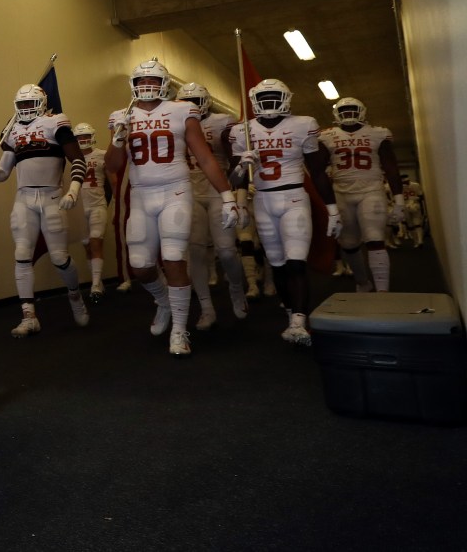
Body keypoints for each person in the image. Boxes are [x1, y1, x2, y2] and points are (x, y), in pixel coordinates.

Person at [104, 60, 241, 357]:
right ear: (133, 85)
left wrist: (227, 195)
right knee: (140, 266)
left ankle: (180, 329)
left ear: (165, 83)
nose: (146, 85)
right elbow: (112, 167)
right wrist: (117, 140)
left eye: (152, 79)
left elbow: (204, 158)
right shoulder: (121, 115)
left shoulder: (181, 110)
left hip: (175, 190)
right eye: (141, 81)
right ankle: (164, 301)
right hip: (141, 194)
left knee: (174, 257)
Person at [227, 79, 340, 346]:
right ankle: (292, 314)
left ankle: (299, 321)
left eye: (274, 97)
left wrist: (332, 209)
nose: (269, 103)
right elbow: (234, 179)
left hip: (293, 197)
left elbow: (317, 171)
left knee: (296, 261)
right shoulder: (242, 130)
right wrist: (242, 168)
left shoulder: (303, 124)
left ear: (286, 98)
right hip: (263, 201)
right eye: (264, 97)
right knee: (276, 263)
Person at [0, 86, 88, 337]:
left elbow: (78, 158)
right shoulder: (13, 129)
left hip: (52, 196)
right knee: (21, 253)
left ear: (41, 103)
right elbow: (3, 173)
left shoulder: (55, 122)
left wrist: (72, 190)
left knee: (59, 258)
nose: (26, 109)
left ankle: (74, 295)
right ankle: (29, 315)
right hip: (24, 197)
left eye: (31, 104)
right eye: (22, 104)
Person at [177, 83, 250, 328]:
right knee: (196, 251)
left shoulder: (222, 122)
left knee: (227, 250)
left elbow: (233, 159)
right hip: (189, 191)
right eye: (188, 101)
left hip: (218, 190)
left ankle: (237, 288)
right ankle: (207, 308)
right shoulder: (175, 120)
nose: (193, 106)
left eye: (198, 100)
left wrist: (240, 198)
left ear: (207, 101)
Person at [318, 97, 404, 291]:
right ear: (336, 114)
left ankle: (383, 291)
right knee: (348, 243)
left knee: (374, 237)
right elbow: (317, 170)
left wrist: (399, 201)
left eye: (352, 110)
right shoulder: (327, 136)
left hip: (371, 190)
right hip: (341, 192)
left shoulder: (377, 133)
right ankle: (362, 282)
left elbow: (391, 167)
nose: (348, 115)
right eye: (344, 111)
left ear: (362, 111)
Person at [74, 122, 112, 300]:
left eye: (85, 136)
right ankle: (98, 282)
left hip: (97, 204)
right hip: (79, 208)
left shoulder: (102, 155)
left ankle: (95, 284)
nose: (83, 140)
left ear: (92, 137)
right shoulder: (71, 158)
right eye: (79, 137)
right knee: (87, 247)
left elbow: (112, 181)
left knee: (96, 242)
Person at [106, 110, 134, 292]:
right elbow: (112, 157)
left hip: (161, 176)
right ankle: (125, 275)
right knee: (122, 224)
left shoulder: (172, 110)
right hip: (130, 171)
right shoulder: (121, 115)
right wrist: (114, 183)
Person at [403, 175, 427, 247]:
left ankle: (419, 241)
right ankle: (416, 241)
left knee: (417, 223)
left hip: (413, 205)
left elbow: (420, 196)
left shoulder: (415, 185)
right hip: (407, 206)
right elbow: (421, 196)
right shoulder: (414, 185)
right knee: (411, 225)